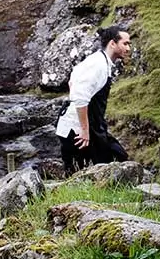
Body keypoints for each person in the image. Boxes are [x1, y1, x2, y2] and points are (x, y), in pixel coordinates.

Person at [56, 26, 132, 174]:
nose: (128, 48)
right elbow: (80, 97)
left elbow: (73, 79)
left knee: (116, 157)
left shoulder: (99, 61)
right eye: (125, 43)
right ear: (112, 43)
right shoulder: (98, 65)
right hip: (77, 129)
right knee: (81, 171)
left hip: (93, 124)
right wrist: (84, 130)